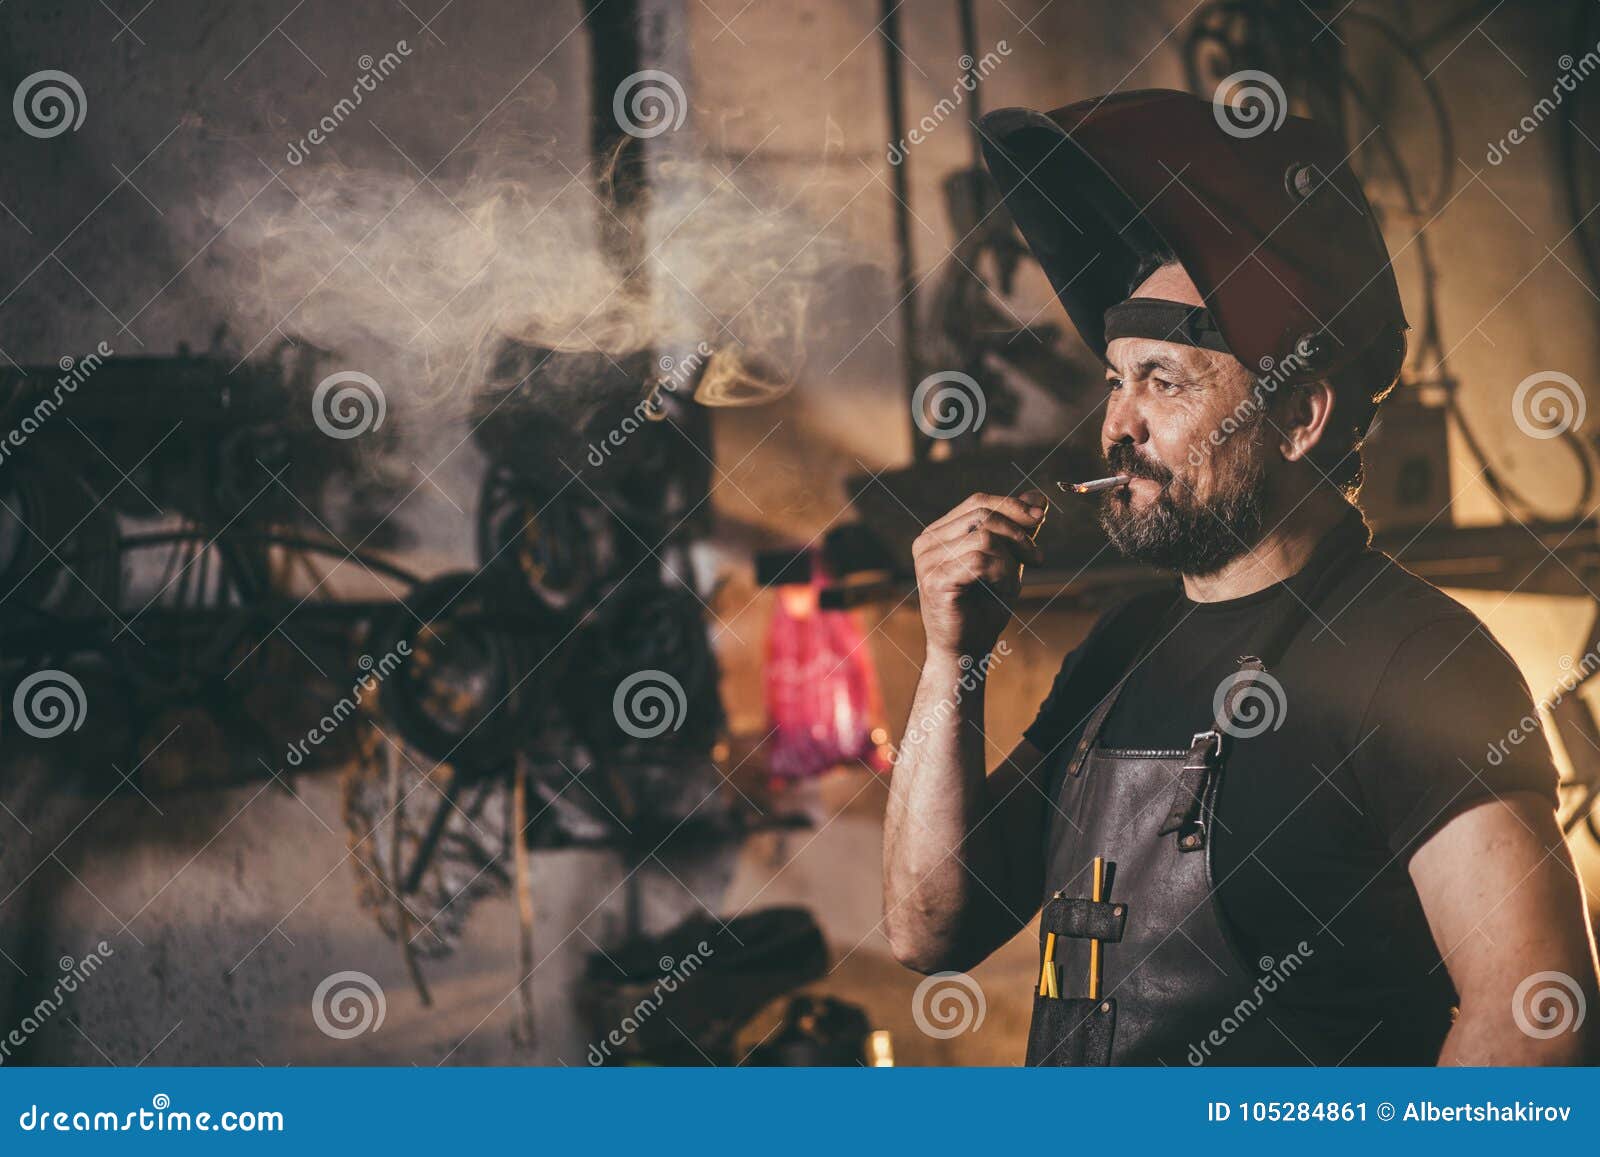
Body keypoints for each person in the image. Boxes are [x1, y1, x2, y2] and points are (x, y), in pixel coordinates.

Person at [882, 90, 1599, 1065]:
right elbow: (930, 929)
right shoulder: (1123, 648)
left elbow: (1534, 1014)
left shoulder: (1414, 659)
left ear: (1300, 415)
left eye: (1163, 381)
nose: (1117, 425)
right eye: (1114, 380)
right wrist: (949, 660)